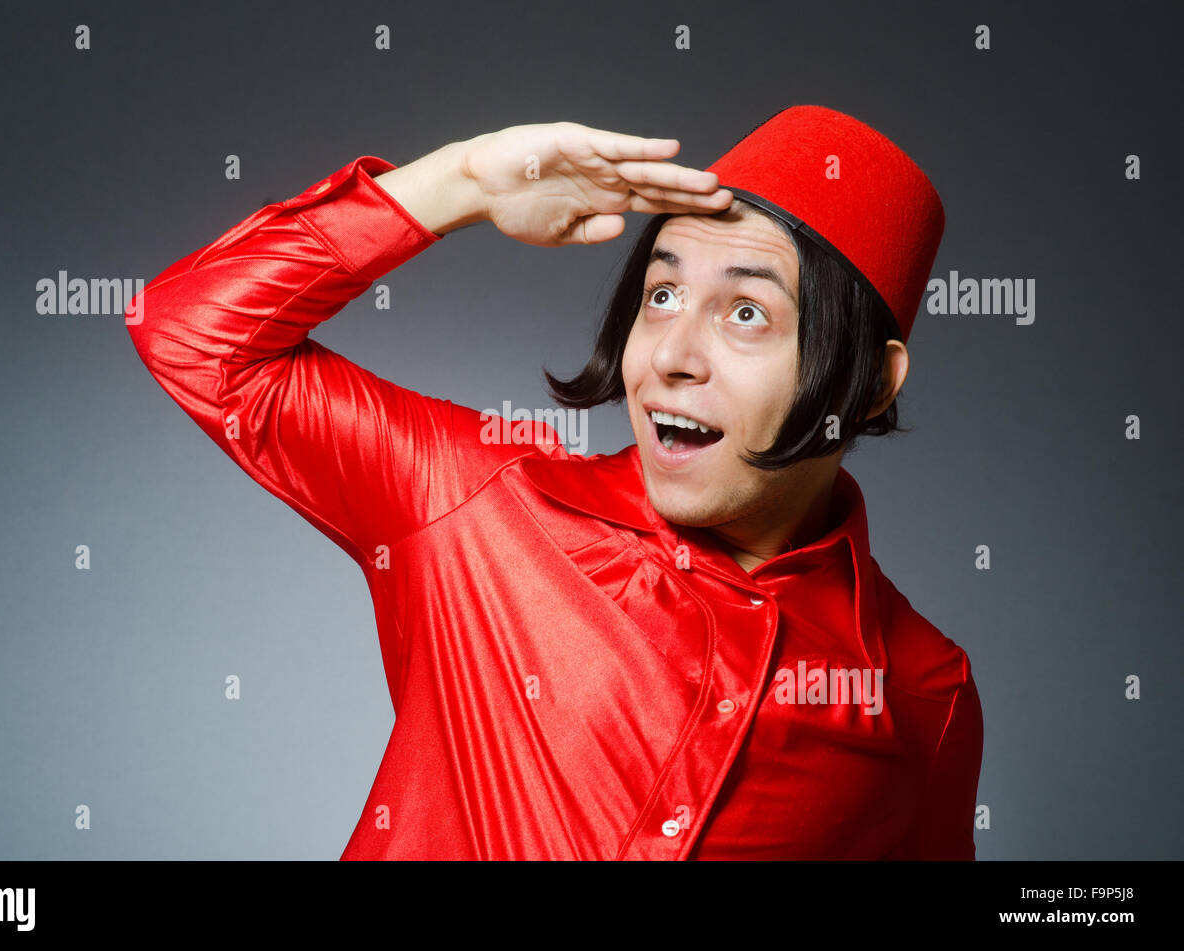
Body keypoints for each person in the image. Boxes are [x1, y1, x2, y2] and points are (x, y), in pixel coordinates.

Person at [126, 105, 984, 860]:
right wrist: (459, 182)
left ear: (868, 385)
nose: (672, 357)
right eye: (660, 294)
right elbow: (192, 335)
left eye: (746, 312)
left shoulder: (924, 691)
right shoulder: (486, 502)